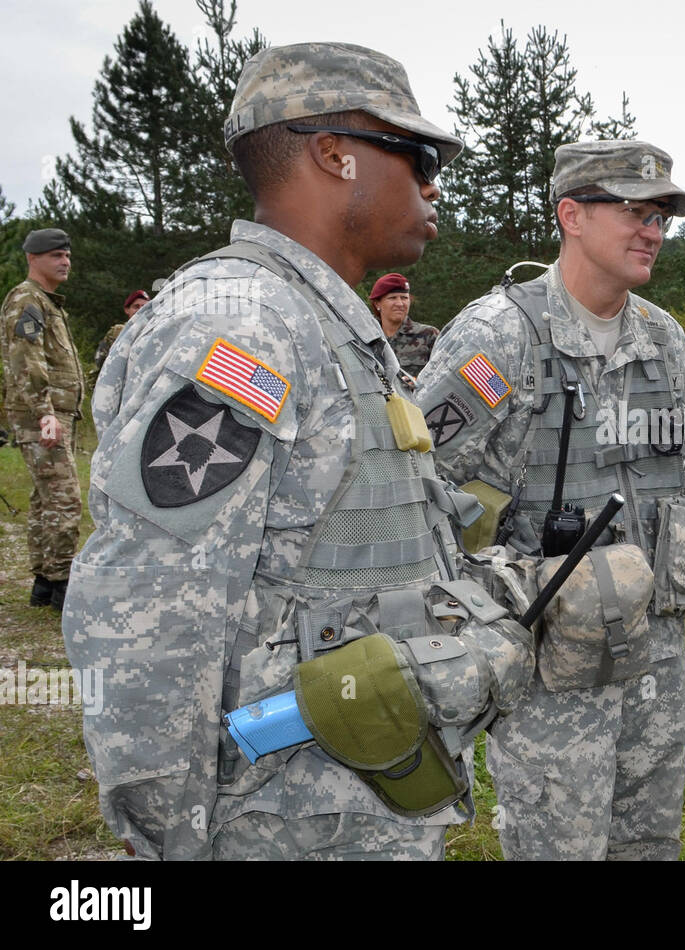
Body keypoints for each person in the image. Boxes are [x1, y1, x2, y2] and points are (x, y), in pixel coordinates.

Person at [63, 42, 536, 861]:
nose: (433, 187)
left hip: (352, 792)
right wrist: (168, 839)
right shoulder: (242, 325)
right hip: (278, 822)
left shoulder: (327, 325)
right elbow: (147, 612)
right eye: (419, 158)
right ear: (334, 153)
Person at [416, 140, 685, 860]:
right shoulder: (498, 336)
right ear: (571, 214)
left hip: (653, 656)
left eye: (662, 215)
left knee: (649, 843)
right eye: (634, 211)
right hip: (547, 669)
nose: (652, 230)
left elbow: (682, 476)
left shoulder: (663, 341)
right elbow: (425, 500)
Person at [1, 227, 84, 611]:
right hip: (43, 415)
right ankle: (64, 586)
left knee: (45, 500)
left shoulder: (46, 302)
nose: (64, 261)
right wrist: (45, 413)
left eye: (66, 255)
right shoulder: (28, 300)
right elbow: (26, 360)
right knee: (65, 499)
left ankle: (45, 585)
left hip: (51, 414)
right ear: (33, 259)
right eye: (55, 255)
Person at [368, 272, 438, 384]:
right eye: (392, 298)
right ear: (377, 304)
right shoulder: (367, 335)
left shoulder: (428, 335)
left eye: (404, 298)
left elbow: (442, 374)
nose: (400, 303)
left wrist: (420, 382)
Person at [92, 290, 150, 385]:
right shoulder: (117, 332)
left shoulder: (156, 332)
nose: (141, 310)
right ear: (127, 310)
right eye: (136, 307)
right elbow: (100, 360)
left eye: (145, 307)